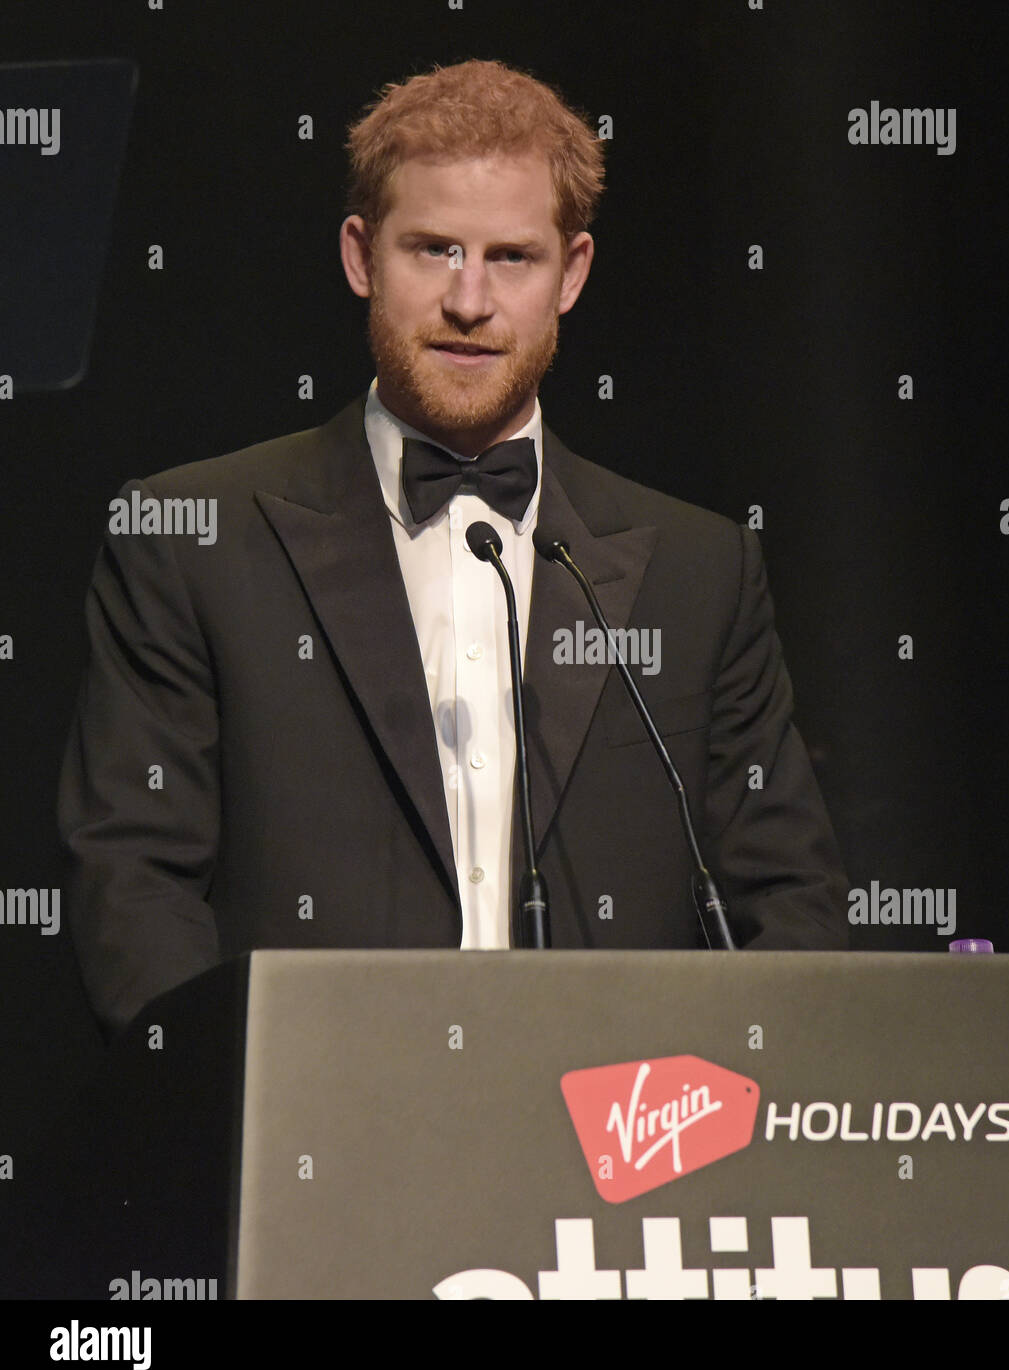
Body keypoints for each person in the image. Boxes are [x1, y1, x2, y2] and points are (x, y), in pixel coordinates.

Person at [58, 59, 849, 1037]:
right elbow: (131, 886)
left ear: (573, 272)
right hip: (310, 1147)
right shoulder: (190, 540)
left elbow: (790, 902)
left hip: (620, 1156)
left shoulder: (701, 569)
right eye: (432, 250)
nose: (469, 300)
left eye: (511, 257)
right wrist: (251, 1113)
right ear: (359, 256)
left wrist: (676, 1121)